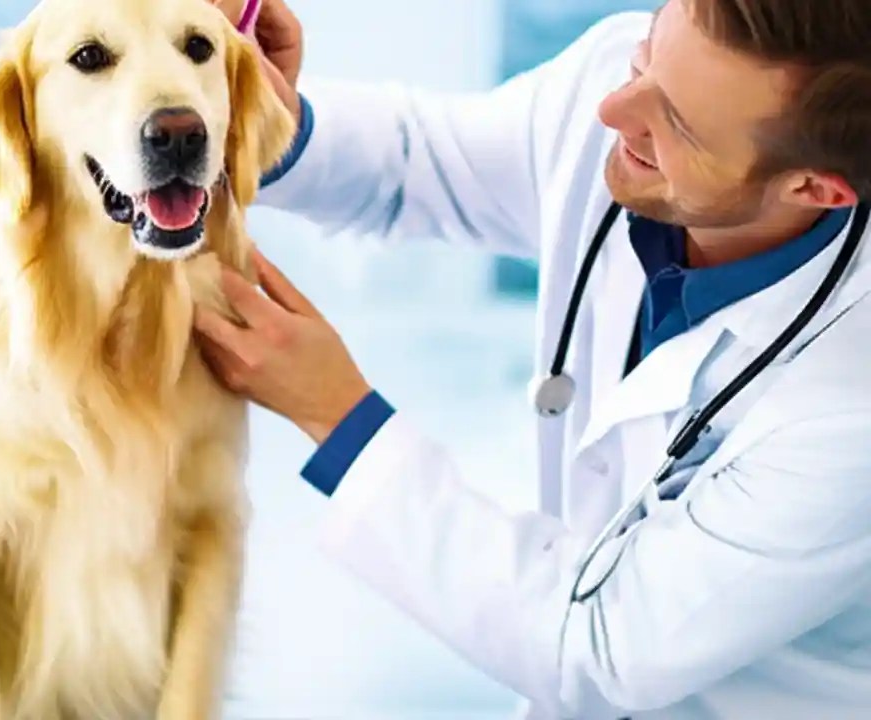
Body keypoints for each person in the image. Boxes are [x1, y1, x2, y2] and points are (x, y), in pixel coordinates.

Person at [196, 0, 871, 718]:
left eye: (674, 124)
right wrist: (268, 123)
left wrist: (338, 418)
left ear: (814, 190)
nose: (613, 108)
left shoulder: (847, 410)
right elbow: (422, 164)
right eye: (646, 53)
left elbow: (600, 648)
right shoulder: (623, 89)